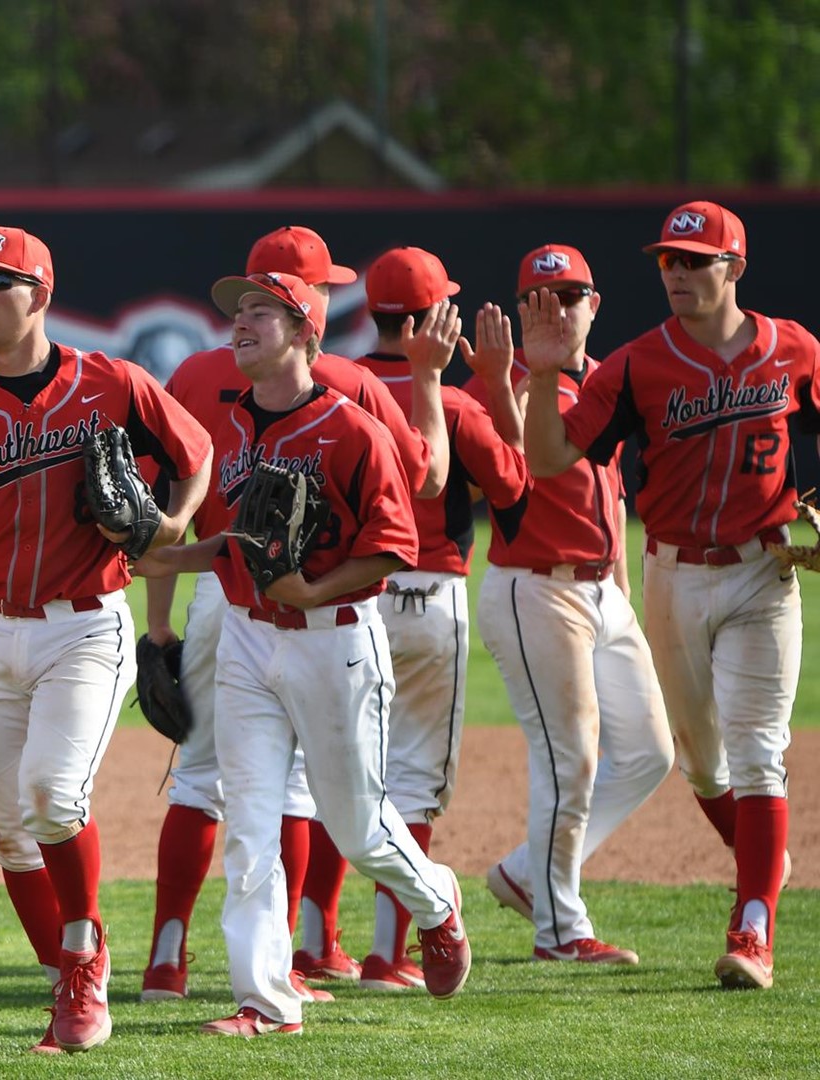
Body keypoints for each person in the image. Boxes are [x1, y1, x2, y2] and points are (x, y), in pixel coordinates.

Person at [0, 227, 213, 1053]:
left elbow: (195, 451)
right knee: (10, 830)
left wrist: (173, 520)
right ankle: (66, 973)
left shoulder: (112, 383)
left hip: (85, 626)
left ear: (41, 295)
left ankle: (83, 957)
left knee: (54, 796)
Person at [137, 271, 471, 1038]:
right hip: (247, 640)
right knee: (249, 822)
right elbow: (238, 541)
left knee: (358, 829)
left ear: (305, 333)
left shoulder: (354, 431)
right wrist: (166, 557)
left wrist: (312, 590)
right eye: (239, 311)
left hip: (336, 642)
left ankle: (435, 902)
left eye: (261, 311)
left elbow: (395, 546)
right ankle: (266, 1001)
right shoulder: (230, 429)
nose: (241, 322)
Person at [522, 202, 814, 989]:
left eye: (694, 260)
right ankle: (761, 860)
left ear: (734, 267)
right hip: (674, 575)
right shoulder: (636, 364)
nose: (677, 273)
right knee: (703, 761)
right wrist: (543, 376)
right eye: (668, 261)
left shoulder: (794, 350)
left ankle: (753, 930)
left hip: (763, 572)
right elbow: (548, 459)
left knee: (759, 752)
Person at [461, 244, 673, 964]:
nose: (558, 311)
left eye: (571, 296)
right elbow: (504, 468)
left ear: (595, 304)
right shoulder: (506, 380)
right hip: (536, 588)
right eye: (541, 300)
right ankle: (560, 928)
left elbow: (611, 488)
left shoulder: (608, 379)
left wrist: (621, 584)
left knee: (649, 753)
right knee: (570, 758)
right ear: (522, 310)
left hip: (602, 588)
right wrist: (505, 382)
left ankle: (529, 872)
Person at [346, 247, 528, 988]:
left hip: (349, 597)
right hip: (427, 599)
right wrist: (496, 381)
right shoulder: (451, 404)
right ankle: (389, 954)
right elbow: (514, 483)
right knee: (414, 781)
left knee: (328, 773)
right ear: (435, 321)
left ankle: (313, 943)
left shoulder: (337, 387)